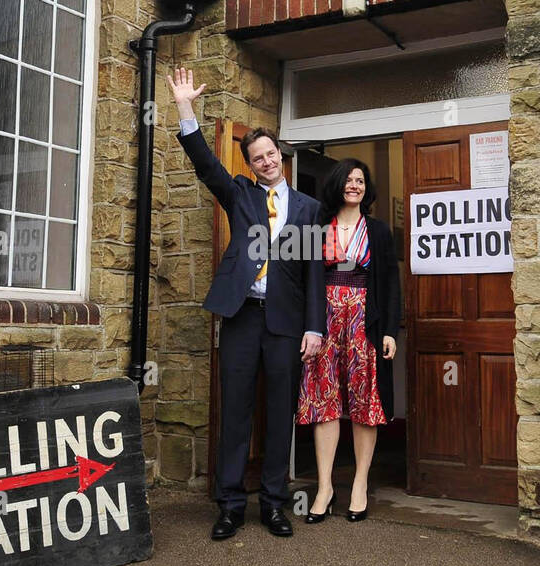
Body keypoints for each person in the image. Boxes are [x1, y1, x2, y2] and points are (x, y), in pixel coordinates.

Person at [166, 67, 324, 540]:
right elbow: (205, 165)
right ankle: (230, 506)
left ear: (282, 156)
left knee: (280, 416)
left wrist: (314, 329)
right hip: (240, 320)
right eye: (257, 158)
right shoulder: (238, 194)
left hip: (286, 326)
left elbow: (315, 274)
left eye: (271, 154)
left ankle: (275, 505)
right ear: (251, 165)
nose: (266, 162)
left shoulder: (309, 209)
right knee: (235, 413)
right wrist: (184, 107)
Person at [296, 158, 401, 523]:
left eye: (360, 180)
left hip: (364, 322)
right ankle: (324, 486)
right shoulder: (318, 227)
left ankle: (359, 484)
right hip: (323, 322)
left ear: (366, 188)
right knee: (324, 400)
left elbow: (390, 283)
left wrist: (390, 329)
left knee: (363, 401)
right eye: (349, 180)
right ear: (338, 184)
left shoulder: (379, 230)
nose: (354, 185)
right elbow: (305, 279)